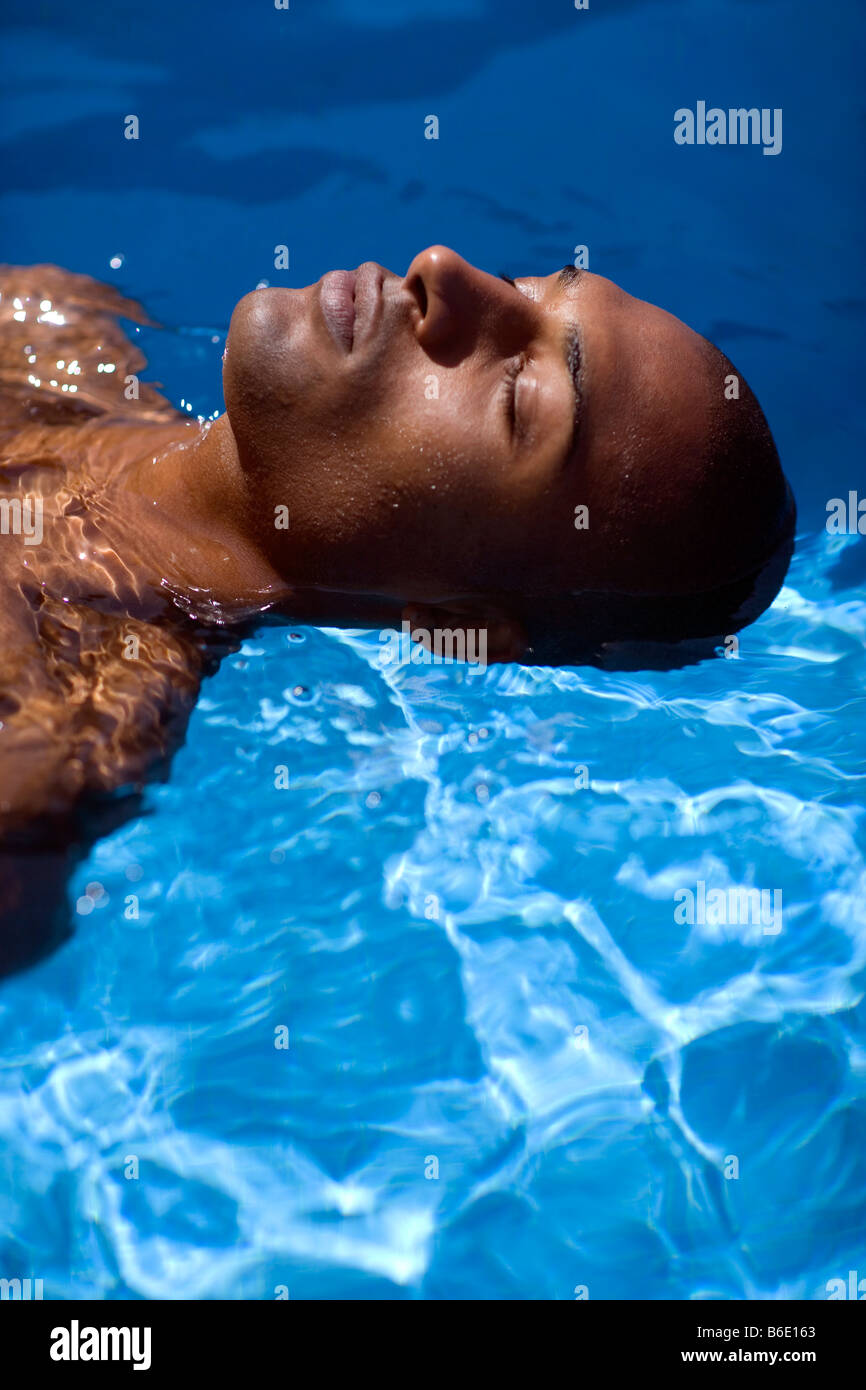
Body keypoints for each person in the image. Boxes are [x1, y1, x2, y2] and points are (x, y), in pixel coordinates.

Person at [0, 248, 794, 948]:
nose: (441, 269)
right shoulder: (49, 322)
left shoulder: (40, 755)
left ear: (459, 623)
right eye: (521, 283)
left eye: (518, 396)